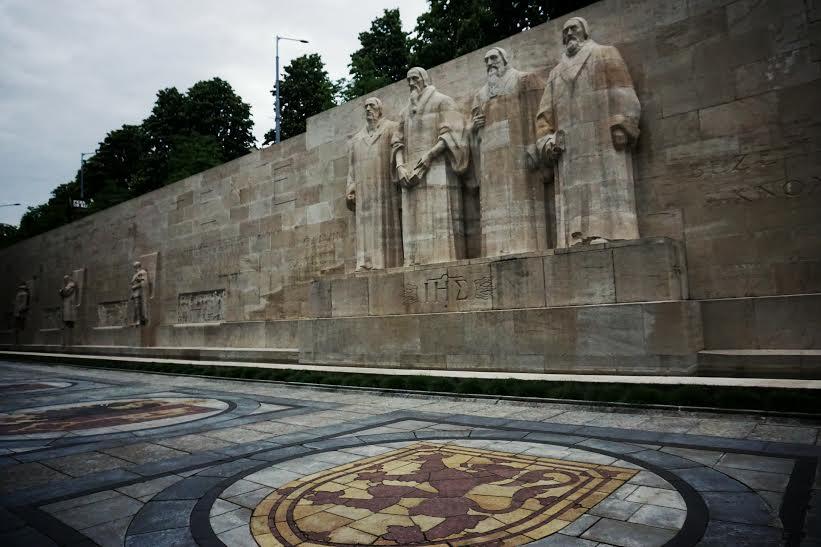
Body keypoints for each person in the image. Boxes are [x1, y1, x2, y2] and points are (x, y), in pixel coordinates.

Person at [536, 17, 642, 247]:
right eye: (565, 31)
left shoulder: (605, 54)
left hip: (602, 138)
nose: (569, 33)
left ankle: (611, 232)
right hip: (569, 146)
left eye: (574, 28)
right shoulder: (556, 73)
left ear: (585, 31)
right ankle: (575, 237)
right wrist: (547, 141)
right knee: (574, 193)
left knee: (604, 182)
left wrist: (623, 123)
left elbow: (623, 91)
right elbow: (544, 117)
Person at [467, 47, 548, 257]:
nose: (490, 63)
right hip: (489, 163)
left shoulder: (523, 80)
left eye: (494, 58)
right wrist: (473, 127)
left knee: (523, 199)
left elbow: (538, 114)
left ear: (504, 59)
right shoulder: (480, 95)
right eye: (486, 60)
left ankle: (526, 245)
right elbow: (470, 132)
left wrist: (534, 144)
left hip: (517, 155)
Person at [392, 67, 470, 265]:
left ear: (424, 79)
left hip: (438, 167)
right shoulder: (404, 112)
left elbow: (453, 133)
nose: (411, 83)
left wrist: (430, 155)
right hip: (410, 172)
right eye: (408, 80)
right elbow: (397, 142)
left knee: (438, 218)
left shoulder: (443, 101)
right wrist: (400, 165)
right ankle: (415, 260)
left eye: (415, 78)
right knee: (414, 220)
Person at [346, 97, 403, 270]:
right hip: (364, 192)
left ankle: (386, 262)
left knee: (385, 223)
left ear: (380, 109)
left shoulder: (391, 128)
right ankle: (364, 263)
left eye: (372, 106)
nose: (368, 109)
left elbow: (399, 152)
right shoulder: (356, 140)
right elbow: (352, 168)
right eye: (366, 107)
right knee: (364, 226)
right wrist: (351, 186)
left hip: (385, 187)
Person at [59, 275, 78, 346]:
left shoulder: (71, 285)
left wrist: (61, 291)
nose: (65, 280)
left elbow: (66, 293)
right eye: (64, 279)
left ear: (68, 279)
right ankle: (65, 343)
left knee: (68, 322)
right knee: (66, 323)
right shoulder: (68, 285)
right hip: (67, 305)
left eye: (66, 279)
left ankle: (67, 343)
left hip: (69, 306)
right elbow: (64, 292)